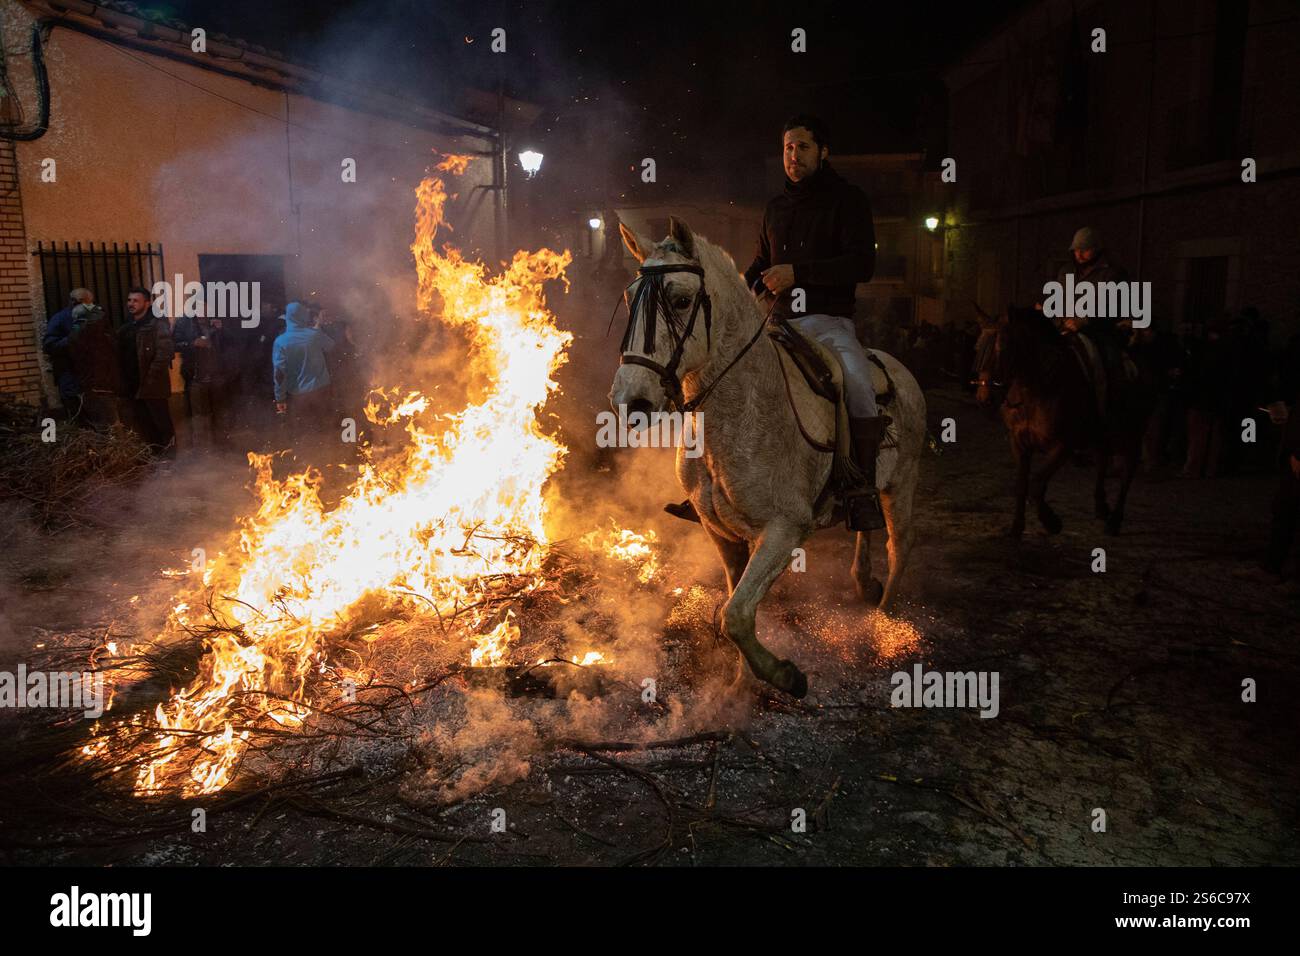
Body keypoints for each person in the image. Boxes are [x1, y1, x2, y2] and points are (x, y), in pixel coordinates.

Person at [737, 113, 883, 530]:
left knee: (857, 383)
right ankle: (720, 485)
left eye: (802, 147)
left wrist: (798, 274)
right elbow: (763, 263)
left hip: (830, 323)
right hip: (778, 324)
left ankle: (861, 490)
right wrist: (735, 292)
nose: (793, 155)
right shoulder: (775, 207)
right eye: (787, 147)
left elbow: (862, 263)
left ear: (823, 152)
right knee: (727, 377)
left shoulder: (849, 200)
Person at [272, 300, 336, 454]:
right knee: (326, 427)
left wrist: (280, 398)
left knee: (304, 432)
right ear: (304, 317)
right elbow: (331, 346)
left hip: (299, 395)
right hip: (322, 390)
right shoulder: (314, 335)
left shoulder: (281, 342)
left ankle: (308, 464)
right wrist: (317, 328)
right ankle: (330, 459)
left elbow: (279, 373)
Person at [118, 286, 175, 453]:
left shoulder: (157, 324)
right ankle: (154, 460)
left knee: (162, 425)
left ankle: (170, 461)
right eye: (129, 300)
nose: (131, 304)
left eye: (136, 300)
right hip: (133, 386)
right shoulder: (127, 326)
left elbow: (164, 354)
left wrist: (150, 379)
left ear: (147, 303)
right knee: (144, 427)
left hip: (153, 386)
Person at [174, 308, 227, 449]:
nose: (203, 309)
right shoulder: (184, 321)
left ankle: (221, 448)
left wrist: (221, 331)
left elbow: (230, 347)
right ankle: (202, 451)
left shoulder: (218, 319)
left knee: (219, 415)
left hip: (217, 377)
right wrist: (192, 343)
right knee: (198, 417)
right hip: (195, 377)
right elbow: (173, 344)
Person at [66, 299, 121, 430]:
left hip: (93, 387)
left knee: (102, 426)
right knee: (109, 427)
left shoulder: (77, 333)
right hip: (99, 387)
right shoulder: (87, 332)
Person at [41, 288, 95, 418]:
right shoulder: (60, 319)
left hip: (90, 374)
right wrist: (71, 340)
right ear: (72, 302)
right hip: (68, 372)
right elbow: (49, 345)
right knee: (75, 411)